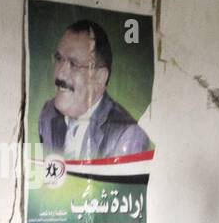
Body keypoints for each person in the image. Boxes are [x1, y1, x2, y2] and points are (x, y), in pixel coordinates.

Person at [37, 19, 151, 162]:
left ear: (99, 77)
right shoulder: (47, 114)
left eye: (74, 64)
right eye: (59, 59)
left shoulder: (127, 136)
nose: (60, 74)